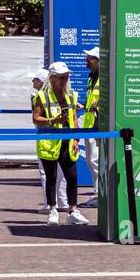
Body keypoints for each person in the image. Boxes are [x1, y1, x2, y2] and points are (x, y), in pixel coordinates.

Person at [32, 61, 89, 226]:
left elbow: (74, 119)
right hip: (49, 142)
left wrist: (76, 139)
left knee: (72, 177)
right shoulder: (42, 96)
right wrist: (53, 120)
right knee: (51, 178)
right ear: (52, 78)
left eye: (66, 76)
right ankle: (52, 210)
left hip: (68, 142)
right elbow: (36, 118)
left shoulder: (71, 95)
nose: (65, 80)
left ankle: (73, 211)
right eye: (61, 77)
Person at [30, 67, 65, 213]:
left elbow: (36, 119)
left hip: (46, 137)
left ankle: (49, 204)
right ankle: (62, 201)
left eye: (36, 79)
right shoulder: (58, 95)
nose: (33, 81)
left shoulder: (39, 96)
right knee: (61, 172)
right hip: (61, 135)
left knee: (47, 173)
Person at [80, 46, 101, 208]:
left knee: (95, 159)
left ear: (98, 61)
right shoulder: (91, 76)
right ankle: (97, 192)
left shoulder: (105, 77)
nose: (87, 60)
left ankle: (100, 193)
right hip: (88, 123)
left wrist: (98, 106)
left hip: (98, 124)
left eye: (90, 58)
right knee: (90, 160)